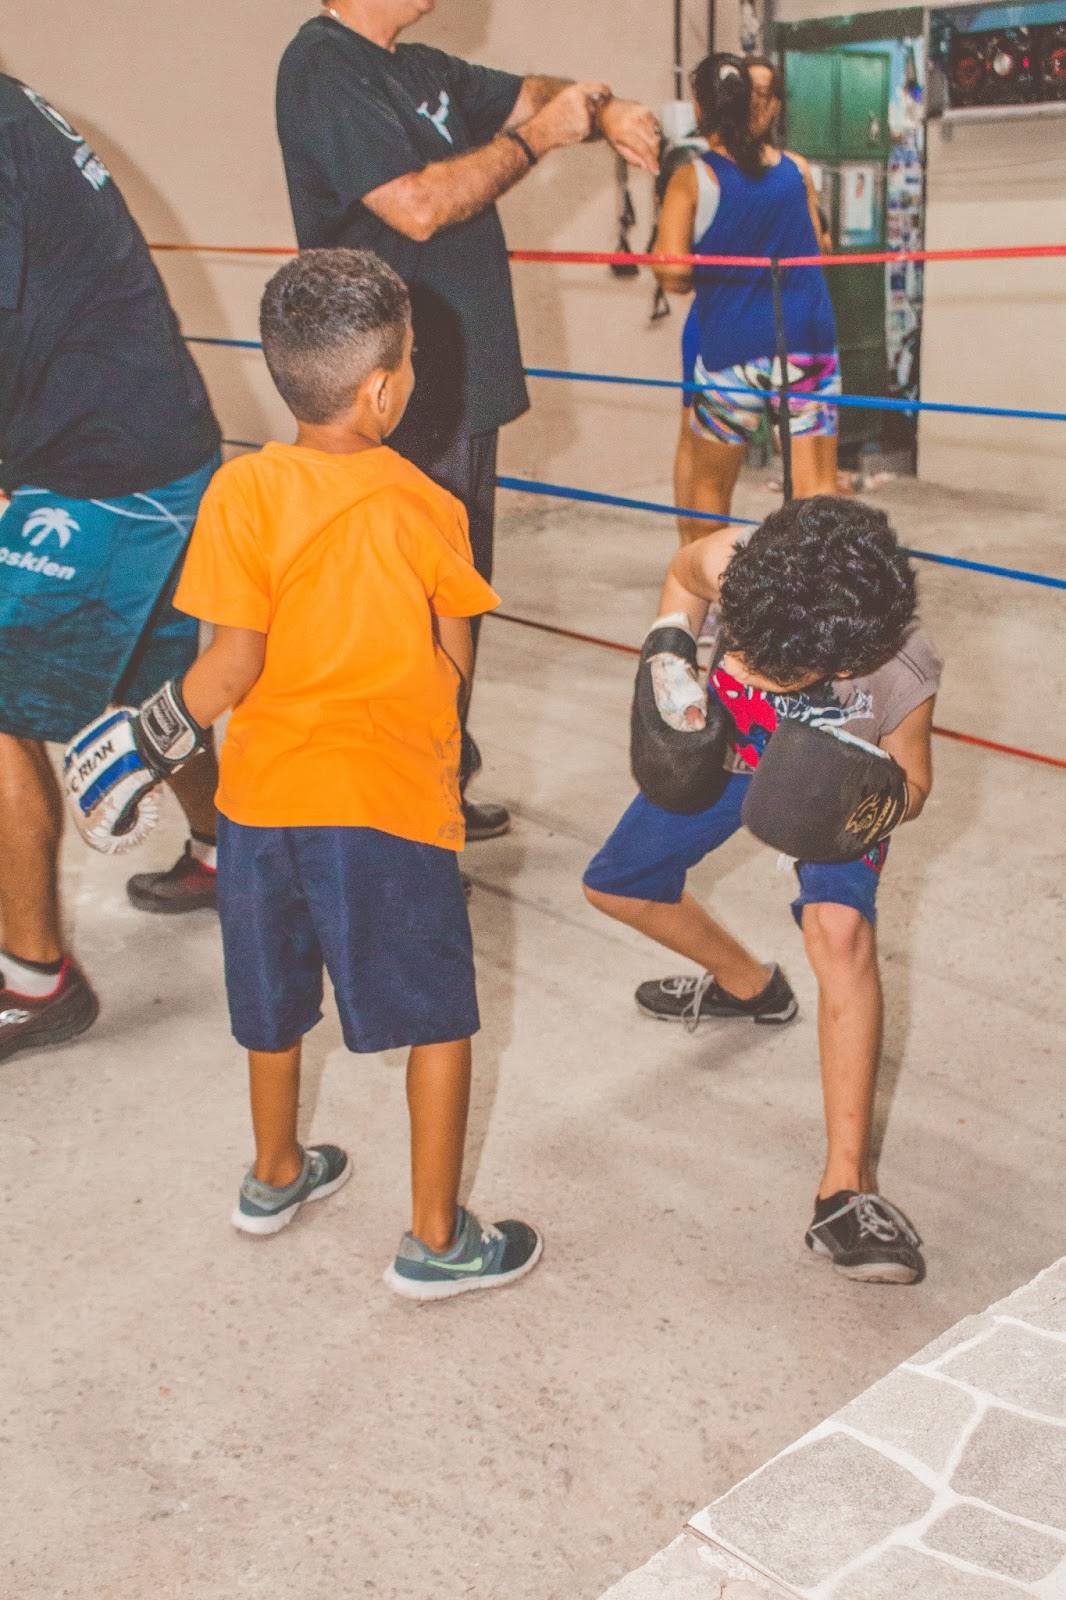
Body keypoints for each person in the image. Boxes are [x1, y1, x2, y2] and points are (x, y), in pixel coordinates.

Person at [65, 248, 541, 1296]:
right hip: (386, 807)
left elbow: (227, 664)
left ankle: (276, 1172)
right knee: (439, 1018)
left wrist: (152, 736)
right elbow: (454, 672)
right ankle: (436, 1236)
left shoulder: (241, 492)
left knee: (271, 997)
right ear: (383, 387)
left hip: (262, 805)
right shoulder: (428, 506)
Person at [276, 0, 660, 840]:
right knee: (398, 607)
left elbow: (533, 94)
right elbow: (414, 204)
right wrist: (540, 141)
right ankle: (396, 803)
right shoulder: (324, 67)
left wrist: (606, 112)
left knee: (453, 597)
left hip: (456, 387)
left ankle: (434, 780)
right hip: (391, 397)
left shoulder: (421, 69)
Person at [583, 497, 942, 1283]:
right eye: (742, 651)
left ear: (846, 664)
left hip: (838, 779)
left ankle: (845, 1192)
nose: (743, 665)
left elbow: (913, 782)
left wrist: (866, 801)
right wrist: (671, 655)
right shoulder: (733, 560)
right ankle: (750, 988)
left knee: (841, 936)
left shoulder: (897, 665)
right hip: (726, 750)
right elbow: (683, 575)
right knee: (616, 884)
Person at [0, 74, 223, 1063]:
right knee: (148, 682)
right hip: (149, 448)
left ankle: (34, 979)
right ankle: (233, 857)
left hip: (103, 475)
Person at [652, 55, 840, 544]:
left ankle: (712, 604)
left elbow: (672, 273)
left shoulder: (694, 178)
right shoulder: (797, 170)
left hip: (732, 351)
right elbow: (819, 247)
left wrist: (709, 269)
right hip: (805, 346)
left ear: (700, 105)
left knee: (709, 489)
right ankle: (817, 609)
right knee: (816, 490)